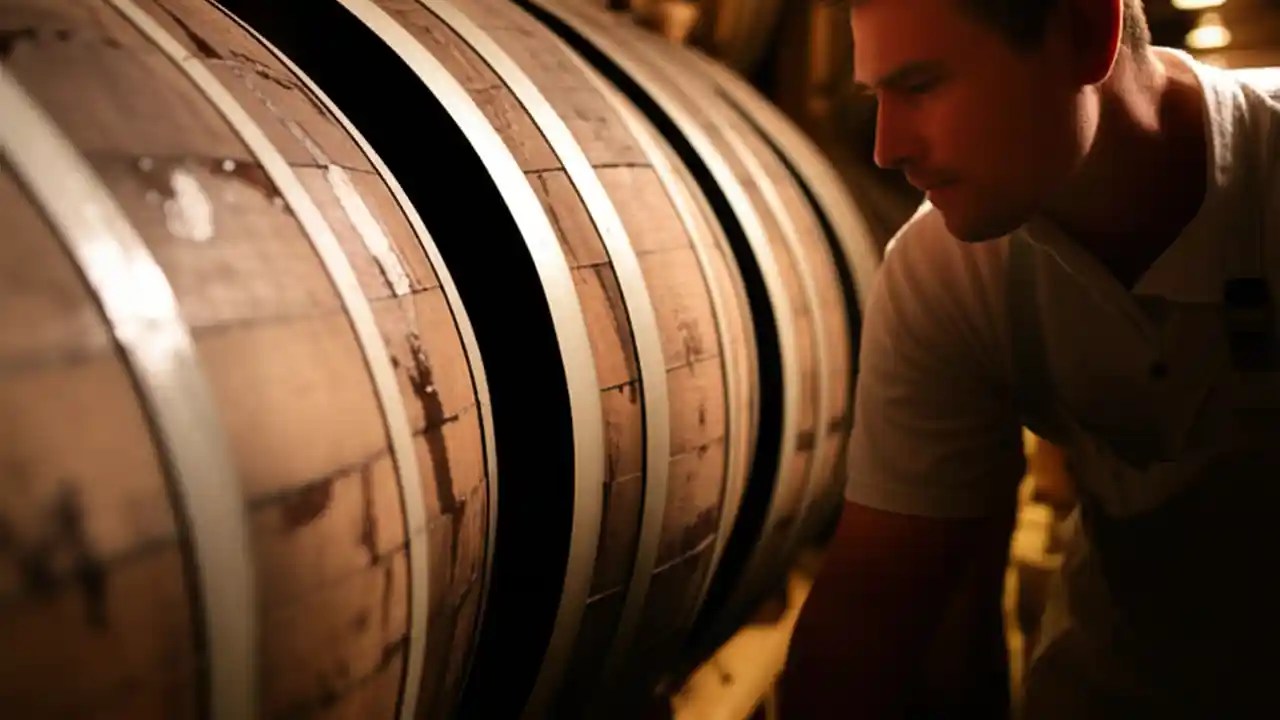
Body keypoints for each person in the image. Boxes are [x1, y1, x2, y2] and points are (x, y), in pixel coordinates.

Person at [780, 0, 1280, 717]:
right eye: (876, 95)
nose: (886, 148)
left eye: (920, 86)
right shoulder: (947, 270)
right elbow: (874, 614)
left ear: (1084, 34)